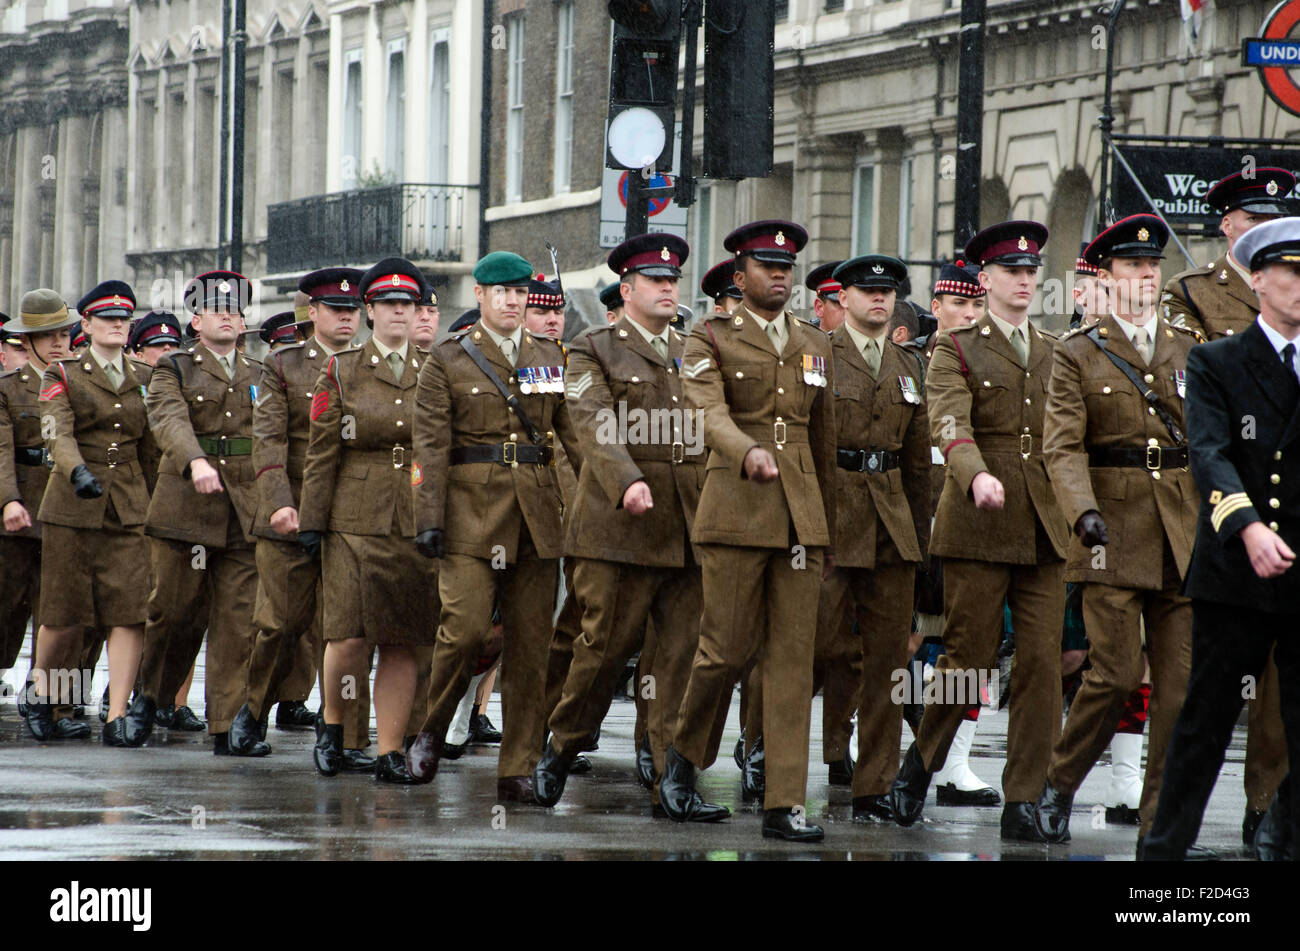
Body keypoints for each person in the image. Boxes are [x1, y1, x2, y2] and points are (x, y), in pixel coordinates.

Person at [890, 220, 1070, 841]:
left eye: (1031, 272)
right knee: (968, 659)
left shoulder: (1055, 349)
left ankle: (1024, 798)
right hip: (978, 522)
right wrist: (973, 475)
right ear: (985, 280)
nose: (1024, 280)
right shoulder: (956, 347)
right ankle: (921, 763)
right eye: (1011, 272)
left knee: (1043, 664)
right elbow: (947, 421)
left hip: (1044, 525)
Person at [659, 219, 836, 841]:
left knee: (791, 661)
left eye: (786, 266)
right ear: (741, 276)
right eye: (767, 266)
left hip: (799, 517)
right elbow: (706, 411)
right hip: (736, 511)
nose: (780, 274)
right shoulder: (708, 337)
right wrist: (745, 451)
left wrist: (826, 527)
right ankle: (683, 761)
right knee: (725, 652)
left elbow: (823, 437)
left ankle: (784, 803)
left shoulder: (816, 341)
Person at [1037, 214, 1208, 850]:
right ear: (1105, 278)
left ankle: (1159, 816)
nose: (1145, 275)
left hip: (1181, 531)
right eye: (1132, 266)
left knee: (1179, 686)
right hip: (1108, 531)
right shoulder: (1077, 353)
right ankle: (1060, 783)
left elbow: (1210, 439)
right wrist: (1080, 509)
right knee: (1110, 675)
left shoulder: (1188, 347)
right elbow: (1062, 446)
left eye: (1151, 266)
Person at [1140, 216, 1300, 860]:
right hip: (1236, 572)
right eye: (1289, 273)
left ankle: (1284, 842)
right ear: (1257, 279)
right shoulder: (1217, 361)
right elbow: (1209, 453)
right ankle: (1163, 861)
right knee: (1203, 725)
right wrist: (1248, 526)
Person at [533, 233, 709, 816]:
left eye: (673, 281)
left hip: (686, 525)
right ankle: (563, 745)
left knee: (678, 659)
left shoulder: (696, 349)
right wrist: (626, 478)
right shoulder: (592, 347)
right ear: (627, 291)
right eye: (655, 281)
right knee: (604, 652)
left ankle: (671, 782)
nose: (667, 288)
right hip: (618, 526)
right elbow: (590, 419)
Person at [404, 250, 582, 802]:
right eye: (500, 292)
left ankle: (518, 768)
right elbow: (429, 445)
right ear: (480, 296)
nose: (511, 301)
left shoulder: (550, 355)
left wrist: (613, 490)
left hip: (535, 516)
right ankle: (432, 729)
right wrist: (428, 517)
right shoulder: (450, 359)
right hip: (469, 517)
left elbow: (574, 435)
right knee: (464, 631)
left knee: (531, 647)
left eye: (519, 292)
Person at [298, 258, 437, 783]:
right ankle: (333, 726)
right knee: (350, 638)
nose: (400, 312)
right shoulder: (341, 370)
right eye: (388, 304)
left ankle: (389, 751)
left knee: (403, 638)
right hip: (353, 519)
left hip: (416, 516)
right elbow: (321, 451)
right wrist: (312, 521)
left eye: (409, 304)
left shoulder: (435, 368)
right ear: (370, 311)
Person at [241, 267, 375, 766]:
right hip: (292, 511)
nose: (345, 319)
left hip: (350, 515)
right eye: (335, 312)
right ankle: (250, 712)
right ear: (312, 314)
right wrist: (278, 502)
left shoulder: (369, 364)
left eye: (351, 312)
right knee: (280, 623)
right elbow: (268, 439)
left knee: (348, 631)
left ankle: (342, 734)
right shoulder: (283, 364)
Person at [818, 254, 930, 819]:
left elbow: (917, 463)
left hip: (890, 524)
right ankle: (766, 755)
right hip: (833, 519)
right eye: (866, 292)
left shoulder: (910, 365)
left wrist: (921, 542)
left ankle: (874, 784)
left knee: (888, 664)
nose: (879, 301)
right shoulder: (819, 356)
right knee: (807, 649)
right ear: (844, 299)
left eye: (888, 293)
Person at [136, 270, 266, 754]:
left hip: (242, 509)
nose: (229, 318)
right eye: (218, 310)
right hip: (186, 506)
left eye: (235, 311)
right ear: (197, 319)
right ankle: (149, 698)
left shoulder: (259, 371)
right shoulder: (174, 367)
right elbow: (167, 418)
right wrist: (194, 461)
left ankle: (226, 725)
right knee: (173, 614)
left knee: (237, 621)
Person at [29, 281, 156, 746]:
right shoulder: (62, 373)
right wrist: (75, 469)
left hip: (128, 508)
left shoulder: (145, 376)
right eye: (108, 319)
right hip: (72, 505)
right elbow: (55, 430)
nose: (118, 325)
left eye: (125, 319)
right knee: (65, 617)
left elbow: (153, 447)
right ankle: (44, 693)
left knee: (129, 613)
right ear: (87, 325)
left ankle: (117, 714)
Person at [2, 291, 76, 734]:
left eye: (64, 334)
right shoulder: (8, 389)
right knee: (8, 605)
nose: (57, 343)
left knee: (63, 612)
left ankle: (54, 704)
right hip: (21, 507)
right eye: (46, 336)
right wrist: (8, 501)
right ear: (26, 341)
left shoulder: (78, 381)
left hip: (66, 507)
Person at [1161, 167, 1295, 340]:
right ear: (1227, 226)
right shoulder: (1190, 291)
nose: (1267, 229)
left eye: (1275, 219)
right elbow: (1191, 361)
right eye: (1254, 219)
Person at [805, 261, 846, 331]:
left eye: (854, 304)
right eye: (840, 304)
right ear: (819, 308)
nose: (850, 313)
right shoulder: (800, 340)